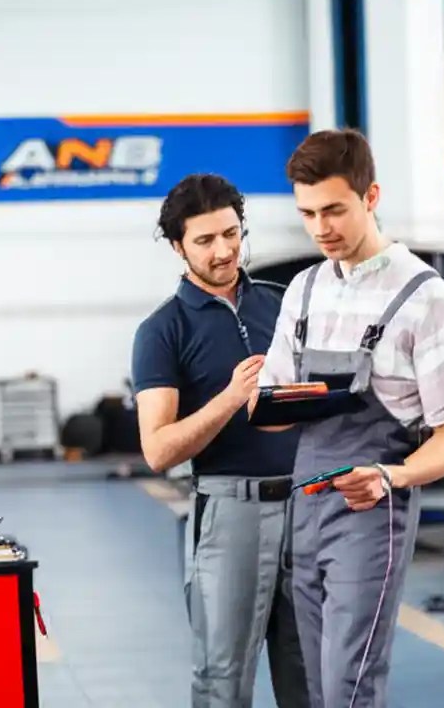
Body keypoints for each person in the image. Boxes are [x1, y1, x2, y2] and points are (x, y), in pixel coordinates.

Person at [252, 129, 444, 707]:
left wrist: (388, 476)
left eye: (334, 210)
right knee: (308, 687)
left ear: (371, 196)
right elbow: (271, 409)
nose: (320, 228)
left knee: (348, 684)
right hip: (306, 506)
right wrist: (253, 400)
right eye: (308, 214)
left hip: (371, 512)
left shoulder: (426, 299)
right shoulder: (303, 291)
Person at [132, 173, 310, 708]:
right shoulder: (163, 331)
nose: (224, 250)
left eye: (231, 234)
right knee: (222, 677)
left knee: (312, 674)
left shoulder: (281, 305)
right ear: (178, 246)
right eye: (205, 240)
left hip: (307, 504)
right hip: (231, 513)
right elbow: (158, 449)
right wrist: (231, 397)